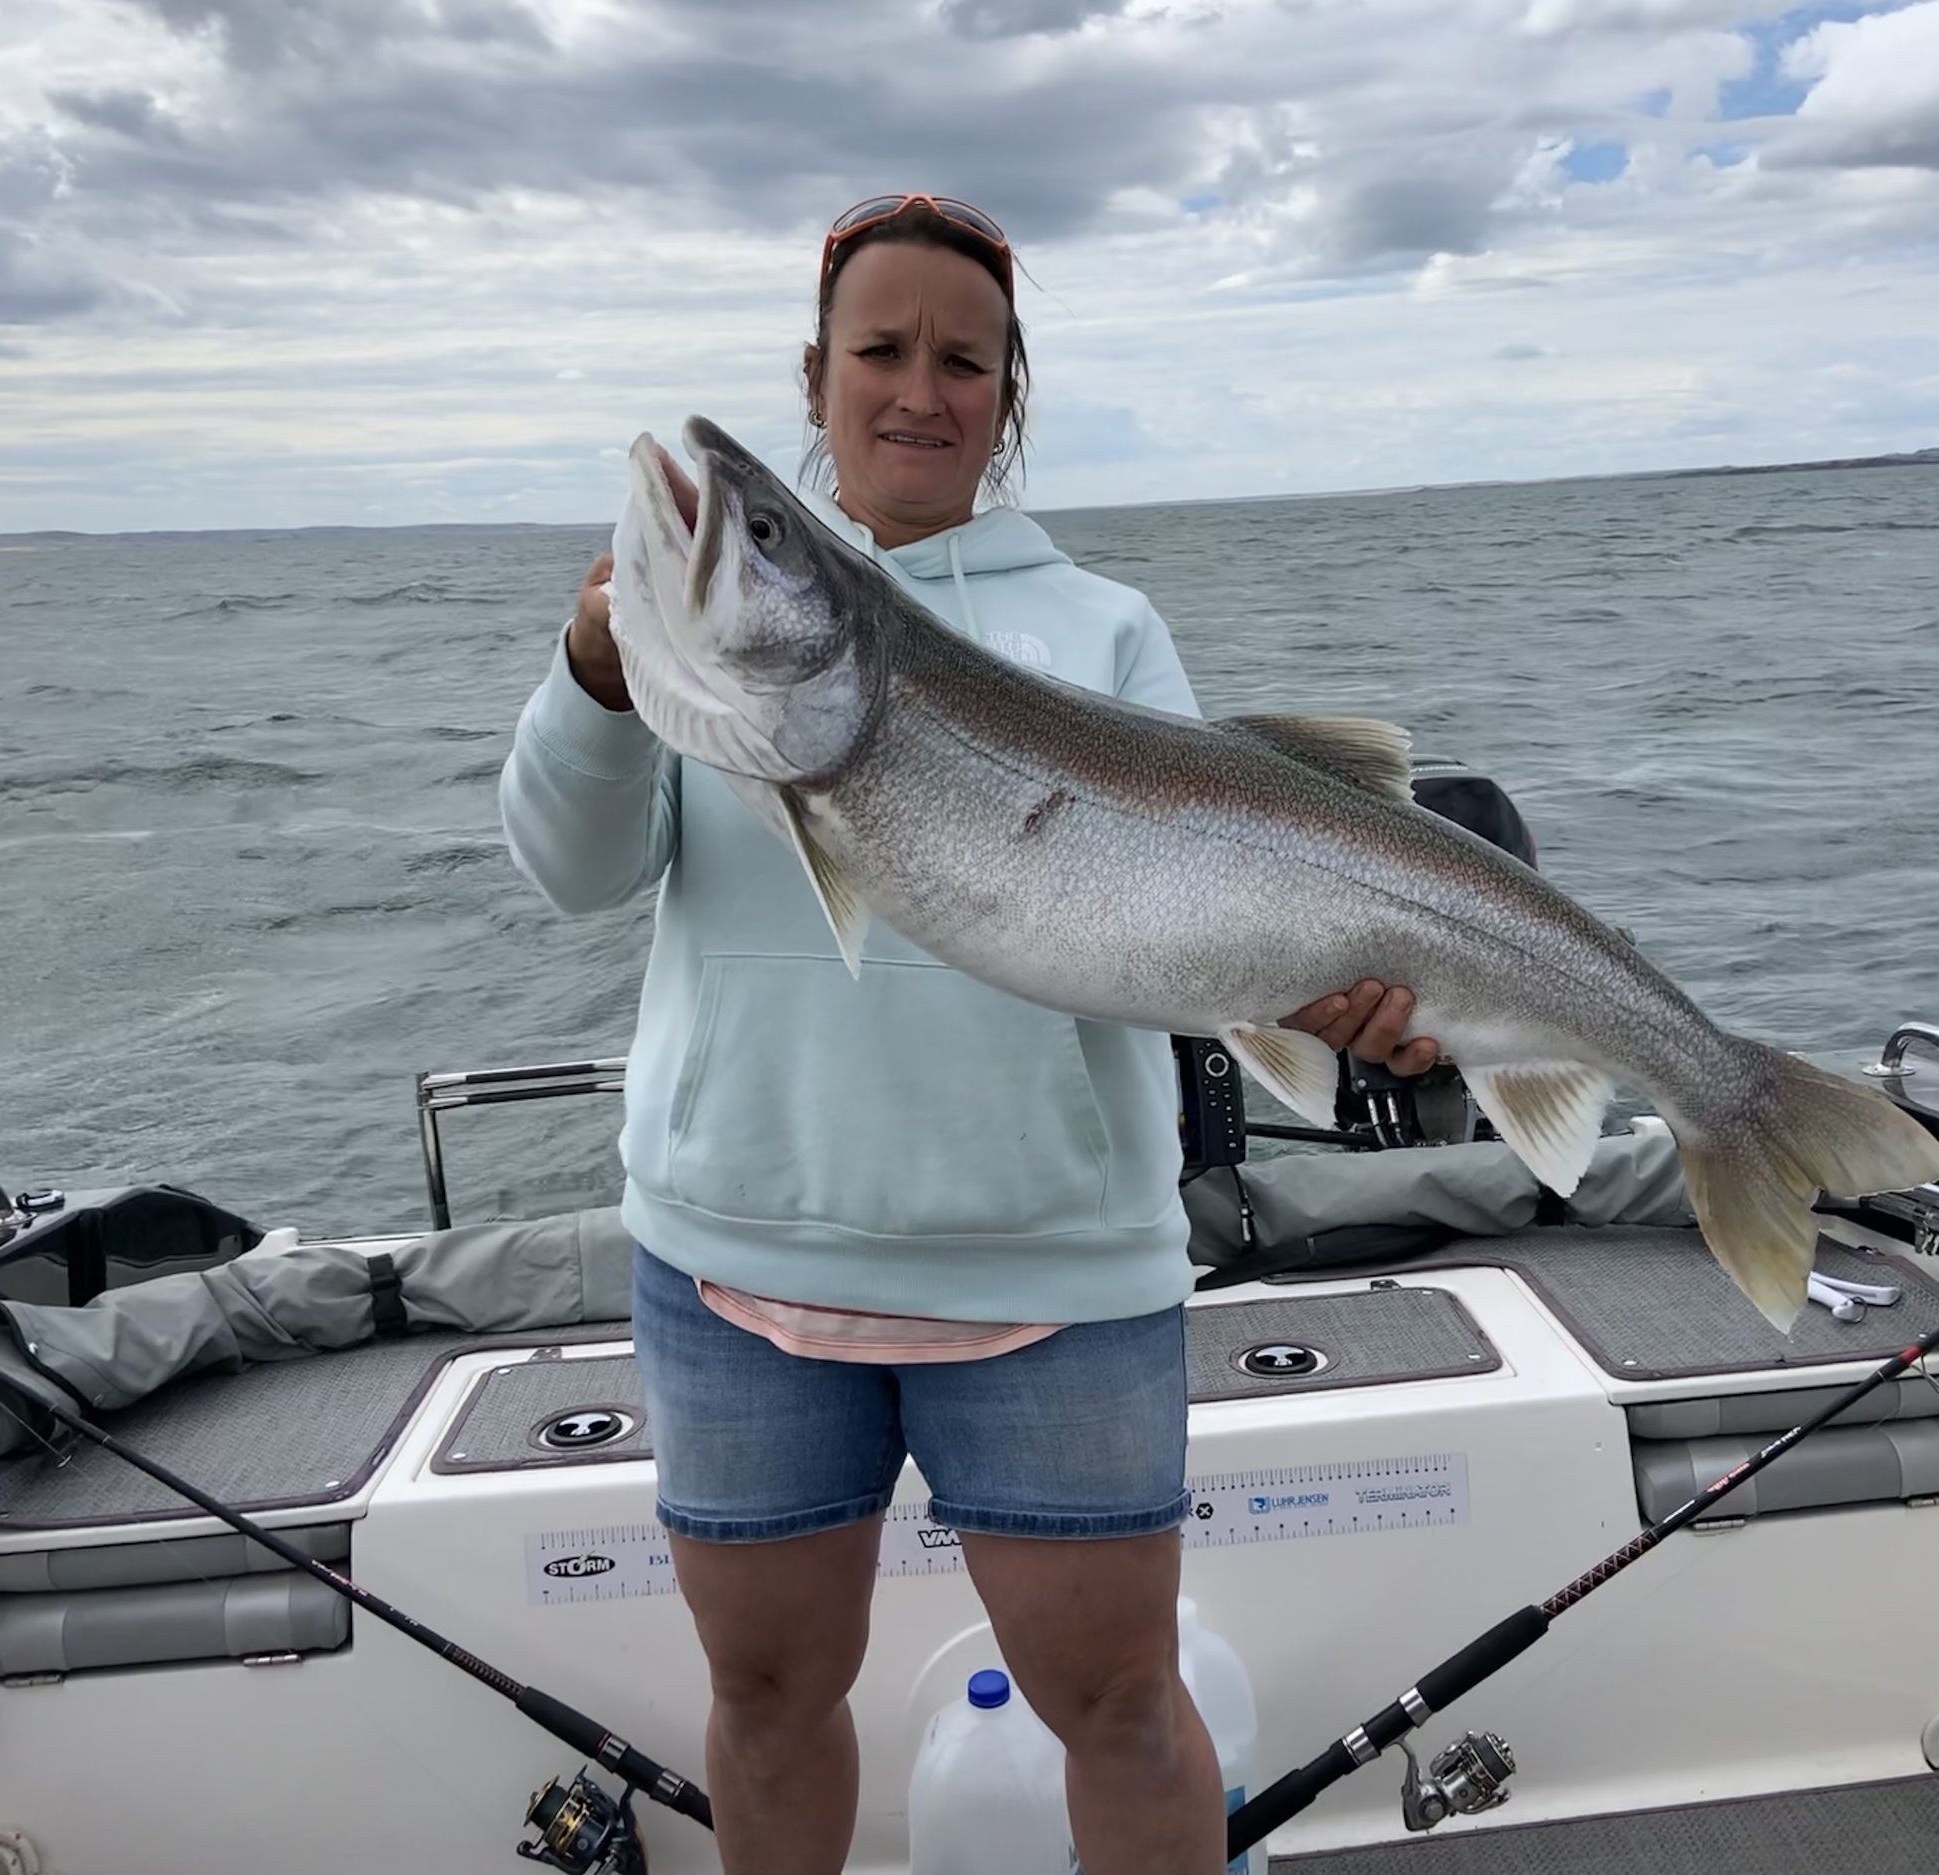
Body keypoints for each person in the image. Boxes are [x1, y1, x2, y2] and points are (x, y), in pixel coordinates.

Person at [499, 193, 1432, 1875]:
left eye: (962, 361)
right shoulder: (686, 640)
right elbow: (567, 872)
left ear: (1009, 401)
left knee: (1121, 1708)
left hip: (1053, 1275)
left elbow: (1195, 916)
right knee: (769, 1701)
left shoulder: (1105, 632)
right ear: (818, 371)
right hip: (739, 1267)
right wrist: (592, 669)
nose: (915, 390)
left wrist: (1334, 997)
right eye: (878, 350)